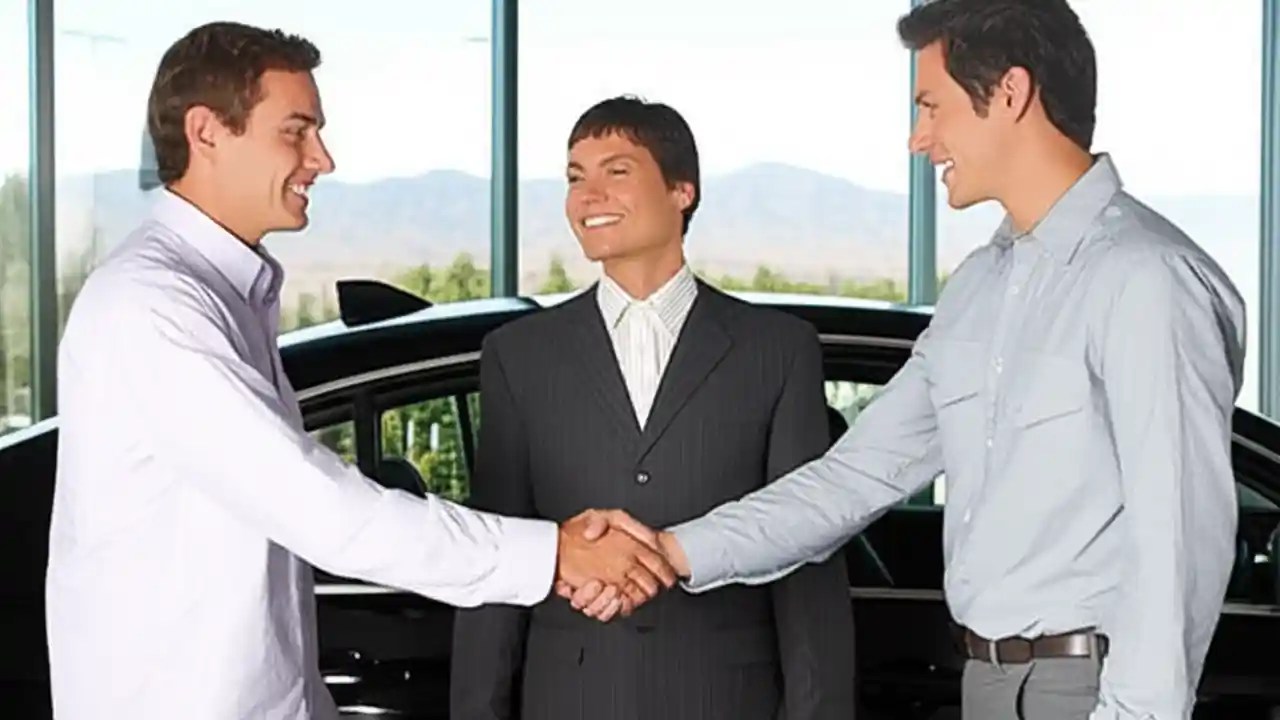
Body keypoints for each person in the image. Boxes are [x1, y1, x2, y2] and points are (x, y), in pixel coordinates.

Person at [563, 1, 1247, 718]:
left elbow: (1177, 545)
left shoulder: (1146, 278)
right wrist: (672, 552)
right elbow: (851, 479)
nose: (919, 138)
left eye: (932, 106)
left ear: (1010, 94)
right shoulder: (980, 288)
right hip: (986, 682)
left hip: (1092, 691)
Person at [44, 22, 672, 720]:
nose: (323, 159)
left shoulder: (220, 296)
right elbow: (323, 509)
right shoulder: (152, 306)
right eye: (297, 130)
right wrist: (554, 555)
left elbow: (264, 583)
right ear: (207, 132)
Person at [449, 96, 855, 720]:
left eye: (616, 172)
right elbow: (500, 553)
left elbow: (806, 559)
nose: (588, 197)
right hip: (569, 699)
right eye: (575, 178)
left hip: (727, 700)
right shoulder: (518, 355)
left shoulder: (776, 350)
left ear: (681, 191)